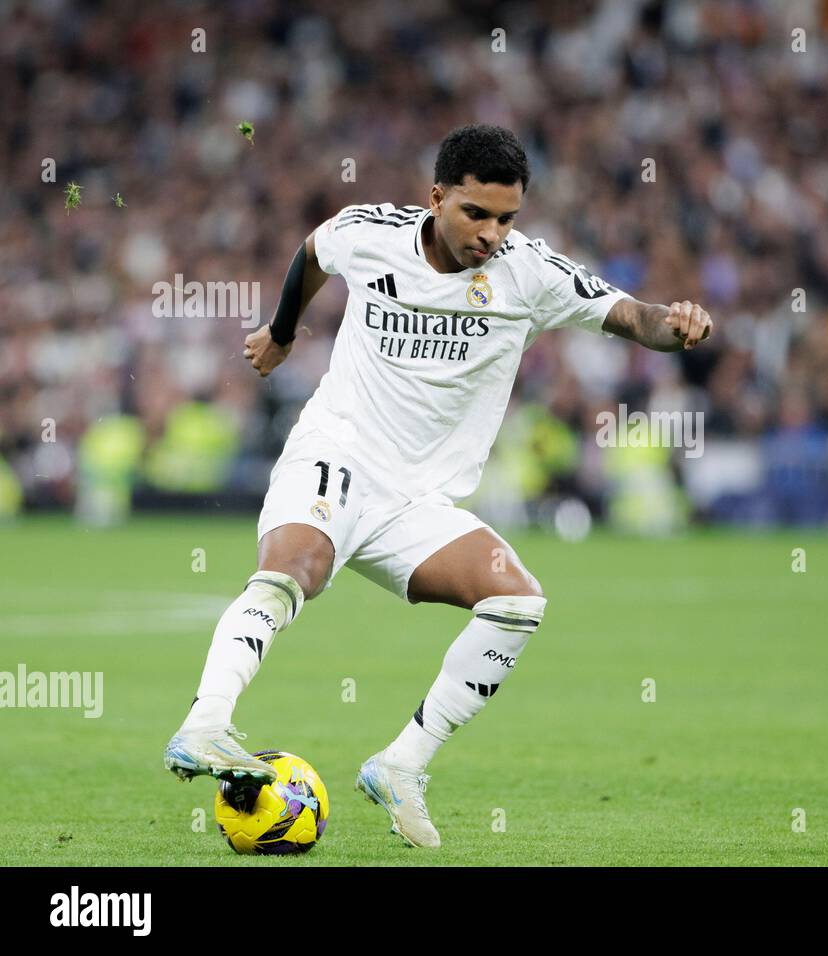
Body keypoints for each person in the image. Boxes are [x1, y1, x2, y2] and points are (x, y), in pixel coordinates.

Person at [163, 124, 713, 848]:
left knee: (518, 600)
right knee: (297, 569)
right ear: (436, 198)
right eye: (475, 214)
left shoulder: (528, 273)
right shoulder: (371, 233)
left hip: (416, 502)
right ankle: (204, 725)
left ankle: (399, 765)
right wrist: (283, 331)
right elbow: (313, 253)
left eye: (507, 218)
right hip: (339, 451)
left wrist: (678, 323)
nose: (491, 234)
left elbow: (632, 317)